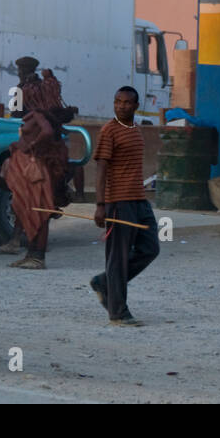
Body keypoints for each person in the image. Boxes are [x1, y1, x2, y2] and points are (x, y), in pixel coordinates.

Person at [89, 86, 159, 325]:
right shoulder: (109, 131)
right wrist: (101, 205)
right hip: (117, 201)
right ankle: (118, 312)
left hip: (139, 200)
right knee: (117, 257)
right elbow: (101, 168)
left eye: (127, 102)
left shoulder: (136, 130)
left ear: (136, 106)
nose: (121, 106)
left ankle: (105, 282)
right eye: (118, 101)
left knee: (150, 248)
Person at [0, 108, 66, 268]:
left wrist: (31, 145)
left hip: (33, 167)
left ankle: (38, 257)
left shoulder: (38, 115)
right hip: (25, 167)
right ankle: (30, 255)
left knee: (39, 211)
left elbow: (47, 132)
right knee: (26, 209)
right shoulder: (32, 116)